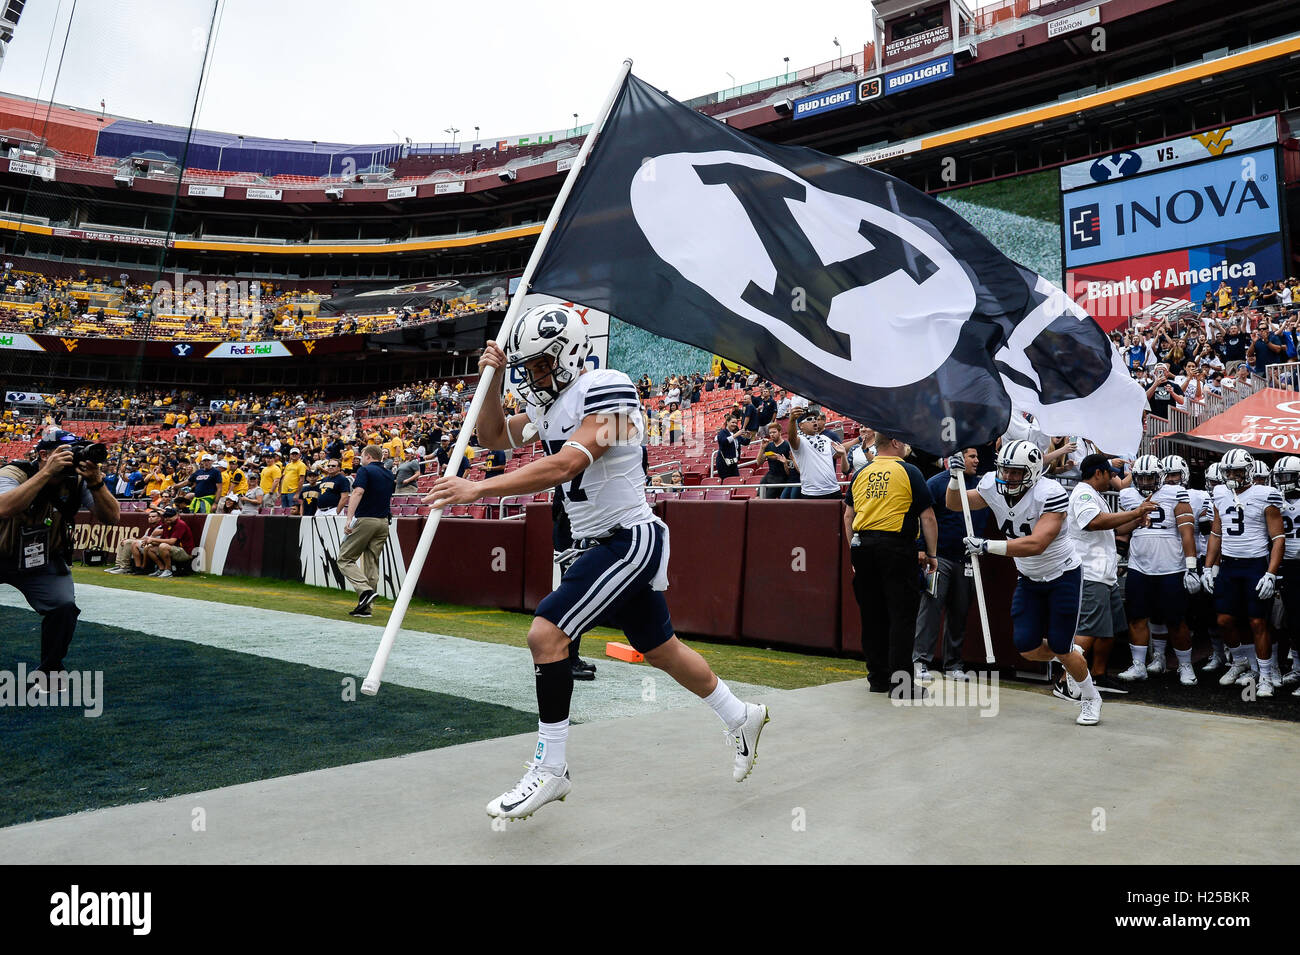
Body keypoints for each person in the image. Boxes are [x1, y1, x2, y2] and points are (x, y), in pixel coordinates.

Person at [426, 303, 769, 822]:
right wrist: (493, 379)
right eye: (530, 367)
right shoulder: (549, 407)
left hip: (628, 537)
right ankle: (740, 714)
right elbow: (493, 437)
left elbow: (568, 461)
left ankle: (552, 769)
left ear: (568, 354)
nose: (536, 376)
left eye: (541, 365)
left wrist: (477, 487)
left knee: (546, 634)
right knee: (661, 649)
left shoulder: (609, 387)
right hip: (600, 544)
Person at [950, 440, 1102, 725]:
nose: (1007, 478)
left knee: (1060, 644)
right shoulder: (992, 485)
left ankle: (1091, 697)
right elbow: (955, 503)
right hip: (1029, 577)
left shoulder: (1050, 493)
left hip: (1062, 574)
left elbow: (1037, 544)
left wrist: (986, 546)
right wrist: (952, 479)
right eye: (1004, 471)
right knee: (1027, 647)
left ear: (1032, 472)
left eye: (1015, 472)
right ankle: (1070, 654)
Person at [0, 430, 119, 693]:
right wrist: (45, 474)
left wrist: (97, 482)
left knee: (63, 606)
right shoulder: (14, 472)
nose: (74, 457)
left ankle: (50, 669)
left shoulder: (77, 480)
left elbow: (112, 517)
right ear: (43, 454)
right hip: (1, 550)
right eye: (67, 452)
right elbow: (4, 507)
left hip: (41, 557)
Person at [843, 431, 938, 698]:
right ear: (894, 443)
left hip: (863, 547)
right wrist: (931, 554)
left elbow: (848, 515)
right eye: (904, 442)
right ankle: (902, 684)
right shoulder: (909, 471)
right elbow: (928, 516)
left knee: (872, 616)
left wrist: (854, 549)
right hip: (896, 548)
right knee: (902, 616)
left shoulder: (861, 473)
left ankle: (878, 678)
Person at [1065, 455, 1155, 697]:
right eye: (1110, 474)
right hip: (1090, 572)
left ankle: (1098, 675)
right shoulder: (1083, 494)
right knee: (1088, 631)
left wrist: (1136, 520)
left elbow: (1115, 528)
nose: (1112, 479)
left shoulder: (1097, 496)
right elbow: (1094, 522)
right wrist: (1136, 510)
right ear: (1098, 473)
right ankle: (1065, 680)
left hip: (1105, 574)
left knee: (1109, 630)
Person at [1202, 448, 1285, 697]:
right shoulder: (1219, 493)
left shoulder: (1264, 494)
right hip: (1229, 565)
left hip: (1255, 565)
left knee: (1258, 622)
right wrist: (1208, 567)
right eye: (1228, 471)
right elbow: (1216, 533)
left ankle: (1266, 677)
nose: (1232, 475)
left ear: (1248, 471)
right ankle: (1240, 662)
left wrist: (1270, 573)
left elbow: (1278, 538)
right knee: (1224, 620)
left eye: (1237, 470)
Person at [1114, 455, 1201, 685]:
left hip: (1171, 567)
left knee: (1176, 620)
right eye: (1140, 478)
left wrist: (1191, 567)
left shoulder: (1175, 494)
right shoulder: (1129, 495)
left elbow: (1187, 532)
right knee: (1137, 618)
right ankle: (1139, 665)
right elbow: (1121, 529)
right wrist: (1136, 516)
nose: (1144, 483)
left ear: (1159, 476)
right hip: (1139, 566)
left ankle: (1185, 665)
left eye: (1149, 478)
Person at [912, 446, 978, 683]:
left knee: (959, 613)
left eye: (977, 456)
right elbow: (923, 516)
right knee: (930, 609)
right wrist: (921, 547)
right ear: (957, 458)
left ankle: (953, 664)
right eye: (972, 456)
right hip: (939, 557)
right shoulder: (936, 483)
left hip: (968, 559)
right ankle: (920, 661)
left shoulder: (980, 485)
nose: (976, 460)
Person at [339, 444, 395, 618]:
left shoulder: (365, 470)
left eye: (362, 456)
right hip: (383, 522)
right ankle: (366, 608)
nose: (360, 459)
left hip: (366, 520)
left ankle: (365, 591)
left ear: (368, 456)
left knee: (344, 559)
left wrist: (349, 518)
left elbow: (358, 492)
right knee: (371, 563)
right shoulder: (388, 473)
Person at [1270, 456, 1300, 693]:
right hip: (1285, 565)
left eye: (1288, 477)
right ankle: (1297, 668)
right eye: (1280, 477)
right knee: (1290, 622)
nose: (1283, 482)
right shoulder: (1274, 500)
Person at [787, 407, 843, 500]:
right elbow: (791, 438)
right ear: (801, 425)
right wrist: (792, 420)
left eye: (815, 419)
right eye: (809, 419)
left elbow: (839, 450)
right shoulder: (800, 440)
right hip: (812, 493)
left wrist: (858, 440)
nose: (814, 421)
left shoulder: (825, 438)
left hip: (834, 490)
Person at [143, 507, 194, 578]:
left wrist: (152, 539)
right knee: (149, 548)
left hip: (185, 552)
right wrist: (149, 542)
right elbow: (163, 540)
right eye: (166, 517)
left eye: (170, 516)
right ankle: (161, 568)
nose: (167, 518)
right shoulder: (167, 524)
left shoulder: (180, 524)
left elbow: (171, 541)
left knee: (163, 546)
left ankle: (168, 570)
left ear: (176, 516)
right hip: (174, 549)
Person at [757, 422, 795, 499]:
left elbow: (793, 463)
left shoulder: (787, 445)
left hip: (781, 477)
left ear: (780, 432)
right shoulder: (769, 445)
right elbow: (759, 462)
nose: (772, 434)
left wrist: (782, 460)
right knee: (758, 498)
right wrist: (762, 448)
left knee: (767, 499)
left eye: (774, 432)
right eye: (770, 433)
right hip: (770, 475)